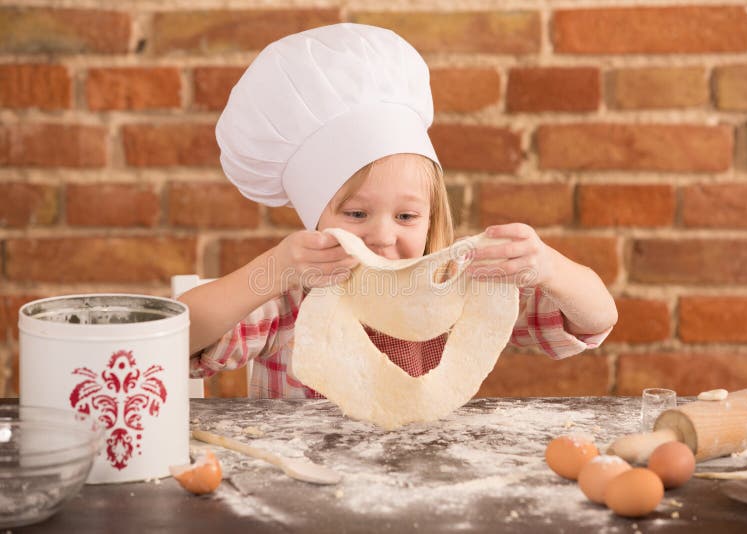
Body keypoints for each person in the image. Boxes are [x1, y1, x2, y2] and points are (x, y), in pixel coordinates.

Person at [179, 23, 617, 398]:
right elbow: (177, 342)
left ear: (431, 218)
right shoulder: (292, 301)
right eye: (356, 214)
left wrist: (548, 267)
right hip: (299, 470)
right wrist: (275, 269)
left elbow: (595, 321)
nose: (383, 237)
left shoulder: (458, 286)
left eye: (406, 216)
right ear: (315, 220)